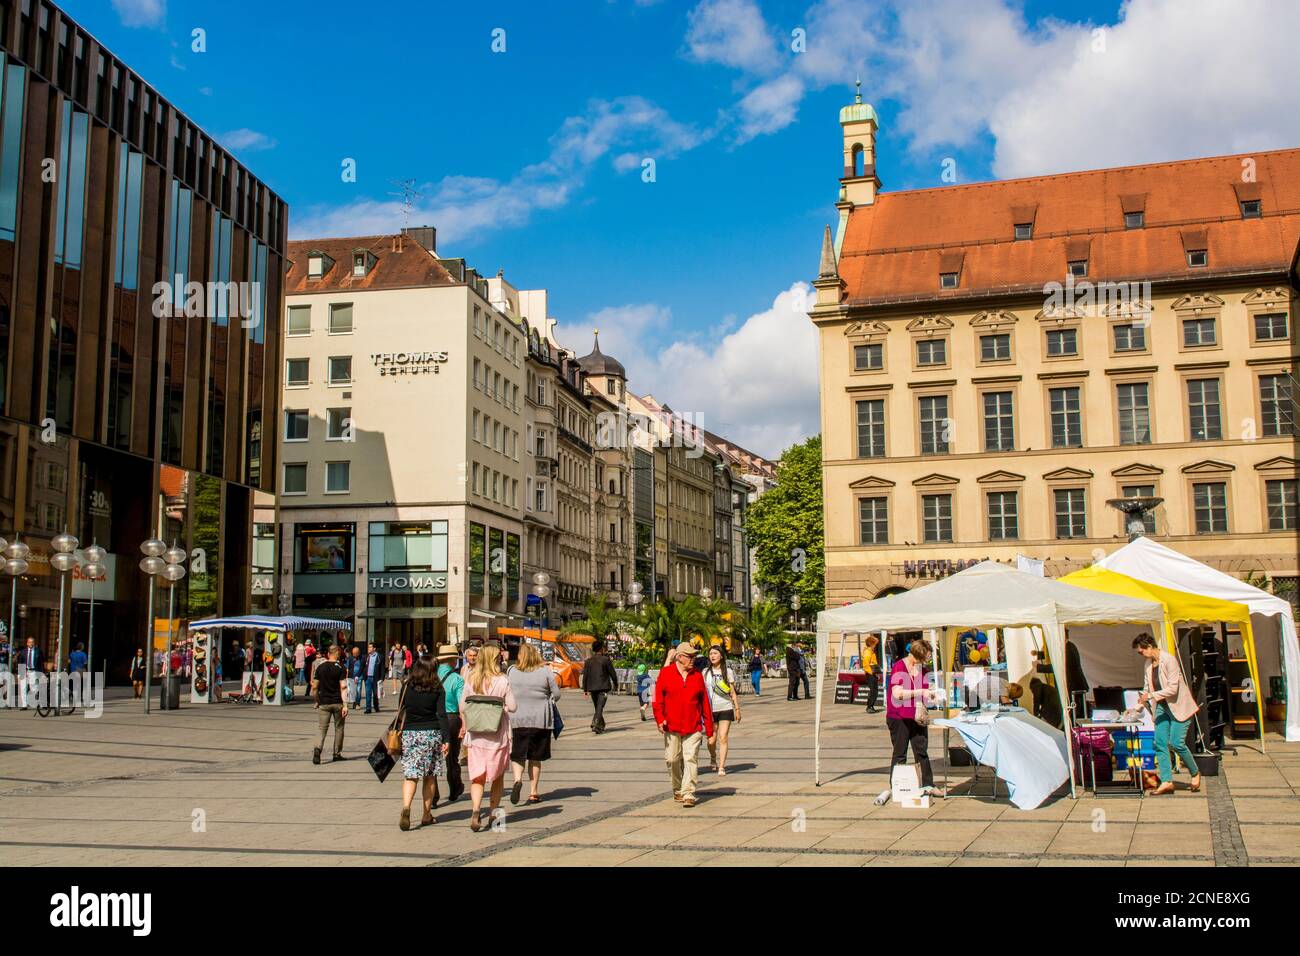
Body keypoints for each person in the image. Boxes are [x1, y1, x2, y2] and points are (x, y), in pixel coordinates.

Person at [1134, 633, 1201, 796]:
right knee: (1159, 743)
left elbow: (1173, 689)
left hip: (1179, 706)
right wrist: (1140, 702)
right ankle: (1166, 781)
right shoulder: (1148, 664)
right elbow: (1147, 687)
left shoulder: (1169, 660)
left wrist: (1150, 696)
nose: (1140, 654)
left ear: (1149, 647)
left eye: (1140, 651)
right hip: (1162, 707)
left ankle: (1195, 772)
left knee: (1176, 742)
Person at [460, 644, 517, 831]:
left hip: (476, 735)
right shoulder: (503, 680)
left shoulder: (472, 679)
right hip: (497, 735)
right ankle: (494, 815)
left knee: (477, 777)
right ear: (496, 660)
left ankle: (476, 810)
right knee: (497, 777)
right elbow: (513, 706)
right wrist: (503, 707)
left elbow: (462, 707)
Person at [652, 642, 714, 808]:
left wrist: (709, 729)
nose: (693, 659)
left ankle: (689, 792)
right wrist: (660, 719)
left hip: (693, 726)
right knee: (672, 759)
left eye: (694, 656)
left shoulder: (697, 676)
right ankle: (677, 787)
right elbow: (657, 700)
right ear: (679, 657)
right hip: (671, 726)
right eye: (689, 656)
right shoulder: (666, 674)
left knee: (690, 758)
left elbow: (705, 703)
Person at [396, 655, 452, 830]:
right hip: (431, 734)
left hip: (410, 734)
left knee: (411, 775)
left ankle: (406, 807)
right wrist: (446, 739)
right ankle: (426, 815)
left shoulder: (407, 686)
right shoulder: (437, 688)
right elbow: (441, 715)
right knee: (429, 776)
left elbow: (401, 709)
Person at [507, 643, 561, 805]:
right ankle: (533, 792)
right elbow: (556, 694)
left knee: (518, 754)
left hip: (517, 719)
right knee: (535, 757)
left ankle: (517, 780)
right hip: (540, 720)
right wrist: (547, 700)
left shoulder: (511, 671)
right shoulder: (545, 671)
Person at [887, 638, 942, 796]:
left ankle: (927, 785)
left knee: (921, 751)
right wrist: (920, 692)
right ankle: (896, 786)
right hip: (898, 717)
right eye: (925, 657)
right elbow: (898, 694)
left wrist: (932, 695)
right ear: (917, 655)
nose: (926, 661)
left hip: (917, 716)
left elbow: (925, 691)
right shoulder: (899, 667)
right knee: (900, 752)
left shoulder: (922, 670)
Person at [702, 645, 741, 775]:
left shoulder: (727, 671)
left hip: (725, 707)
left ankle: (722, 766)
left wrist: (737, 709)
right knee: (711, 740)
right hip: (710, 710)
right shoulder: (705, 672)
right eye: (711, 653)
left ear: (721, 656)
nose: (712, 655)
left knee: (723, 737)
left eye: (715, 653)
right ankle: (713, 757)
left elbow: (732, 692)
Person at [435, 644, 466, 802]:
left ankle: (433, 795)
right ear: (453, 660)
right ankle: (455, 788)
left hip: (434, 718)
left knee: (433, 757)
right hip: (452, 718)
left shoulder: (430, 676)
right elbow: (462, 704)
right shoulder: (457, 679)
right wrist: (465, 723)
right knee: (452, 757)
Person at [310, 645, 348, 764]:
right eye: (339, 653)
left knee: (322, 728)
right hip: (337, 702)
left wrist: (317, 700)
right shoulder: (341, 667)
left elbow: (315, 687)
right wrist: (345, 704)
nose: (340, 655)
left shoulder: (320, 667)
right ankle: (336, 753)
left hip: (324, 703)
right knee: (339, 728)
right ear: (336, 653)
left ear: (327, 654)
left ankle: (317, 749)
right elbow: (343, 687)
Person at [581, 642, 618, 733]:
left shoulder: (588, 661)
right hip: (603, 687)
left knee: (598, 707)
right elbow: (612, 674)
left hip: (592, 688)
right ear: (601, 649)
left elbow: (585, 676)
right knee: (600, 706)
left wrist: (585, 689)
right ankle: (596, 723)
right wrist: (616, 684)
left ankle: (601, 725)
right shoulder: (606, 660)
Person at [19, 638, 44, 709]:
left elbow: (41, 663)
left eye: (32, 642)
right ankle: (24, 705)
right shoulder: (23, 652)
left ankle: (39, 703)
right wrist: (20, 674)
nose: (31, 644)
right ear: (27, 643)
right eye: (29, 642)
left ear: (34, 643)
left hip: (33, 671)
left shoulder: (38, 651)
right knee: (23, 688)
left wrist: (41, 673)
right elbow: (20, 662)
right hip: (24, 671)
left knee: (34, 688)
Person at [862, 635, 881, 713]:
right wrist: (873, 673)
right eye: (875, 644)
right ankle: (869, 706)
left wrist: (876, 673)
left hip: (873, 673)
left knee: (874, 691)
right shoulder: (867, 652)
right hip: (870, 674)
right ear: (871, 644)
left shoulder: (870, 651)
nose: (875, 646)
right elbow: (866, 665)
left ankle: (871, 706)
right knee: (873, 691)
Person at [364, 642, 384, 713]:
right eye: (368, 647)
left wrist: (382, 678)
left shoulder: (380, 657)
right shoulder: (366, 656)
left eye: (370, 647)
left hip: (376, 678)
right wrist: (358, 675)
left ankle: (376, 707)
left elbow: (382, 669)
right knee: (368, 693)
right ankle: (368, 708)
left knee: (376, 694)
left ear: (374, 648)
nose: (368, 648)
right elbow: (362, 667)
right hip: (367, 678)